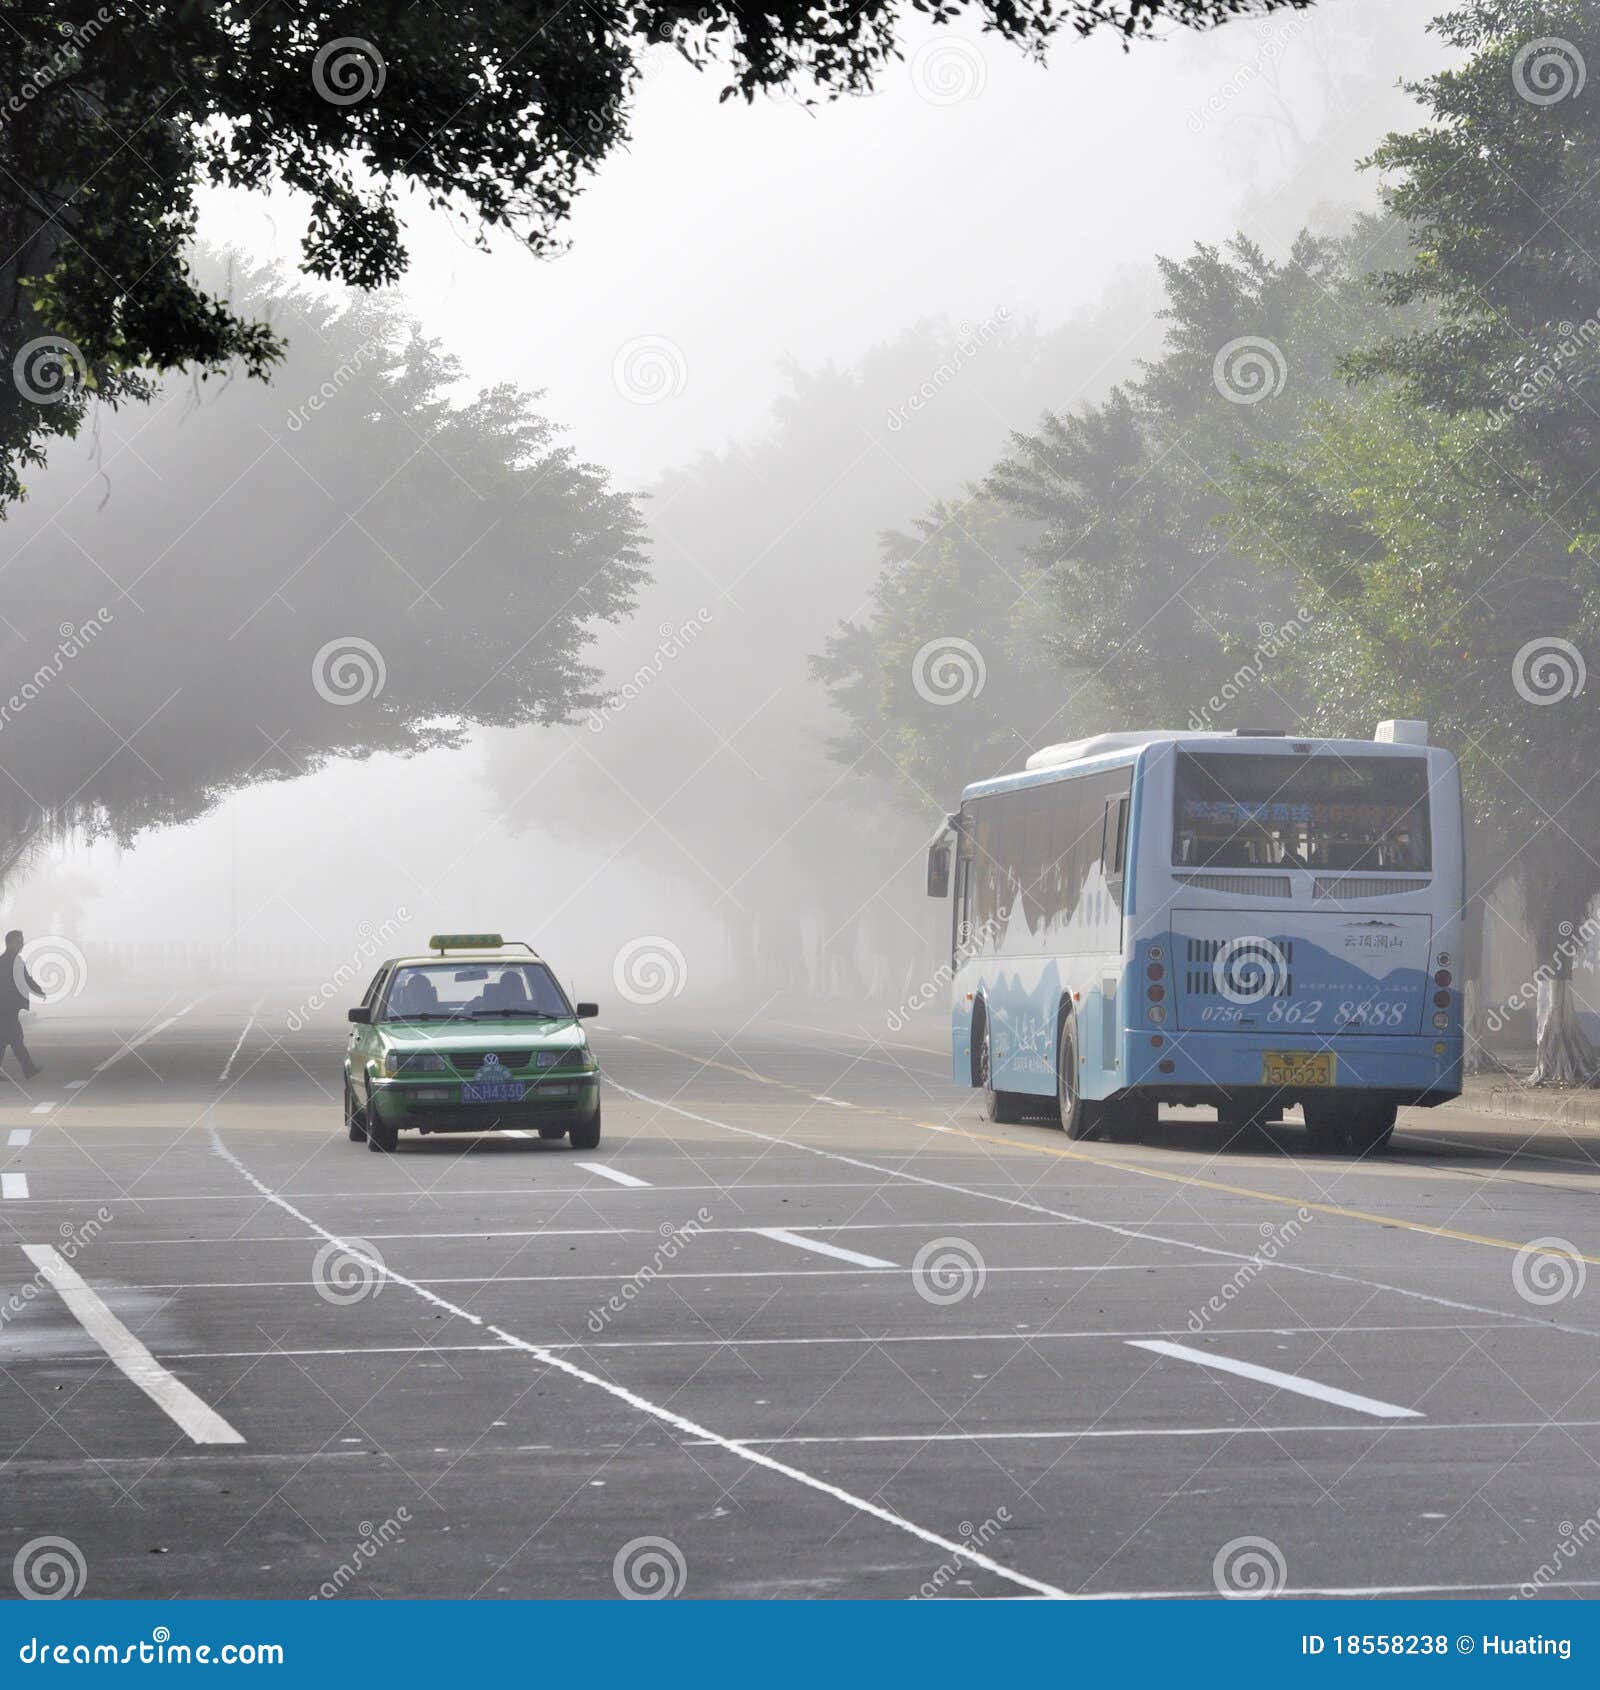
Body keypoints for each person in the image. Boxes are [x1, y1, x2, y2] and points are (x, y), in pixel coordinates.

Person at [0, 930, 43, 1080]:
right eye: (19, 941)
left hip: (5, 1008)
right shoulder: (15, 961)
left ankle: (29, 1069)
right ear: (10, 943)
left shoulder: (2, 960)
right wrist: (40, 991)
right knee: (15, 1038)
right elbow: (27, 980)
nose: (22, 944)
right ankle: (29, 1069)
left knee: (7, 1038)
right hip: (8, 1008)